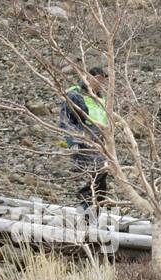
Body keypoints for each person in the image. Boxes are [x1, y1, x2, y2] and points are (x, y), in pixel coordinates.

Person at [61, 67, 109, 210]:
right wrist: (72, 142)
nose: (100, 84)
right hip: (84, 142)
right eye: (98, 79)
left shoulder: (101, 98)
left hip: (100, 143)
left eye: (103, 81)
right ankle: (86, 213)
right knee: (95, 176)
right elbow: (66, 120)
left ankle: (90, 213)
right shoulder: (75, 95)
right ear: (88, 77)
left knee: (100, 180)